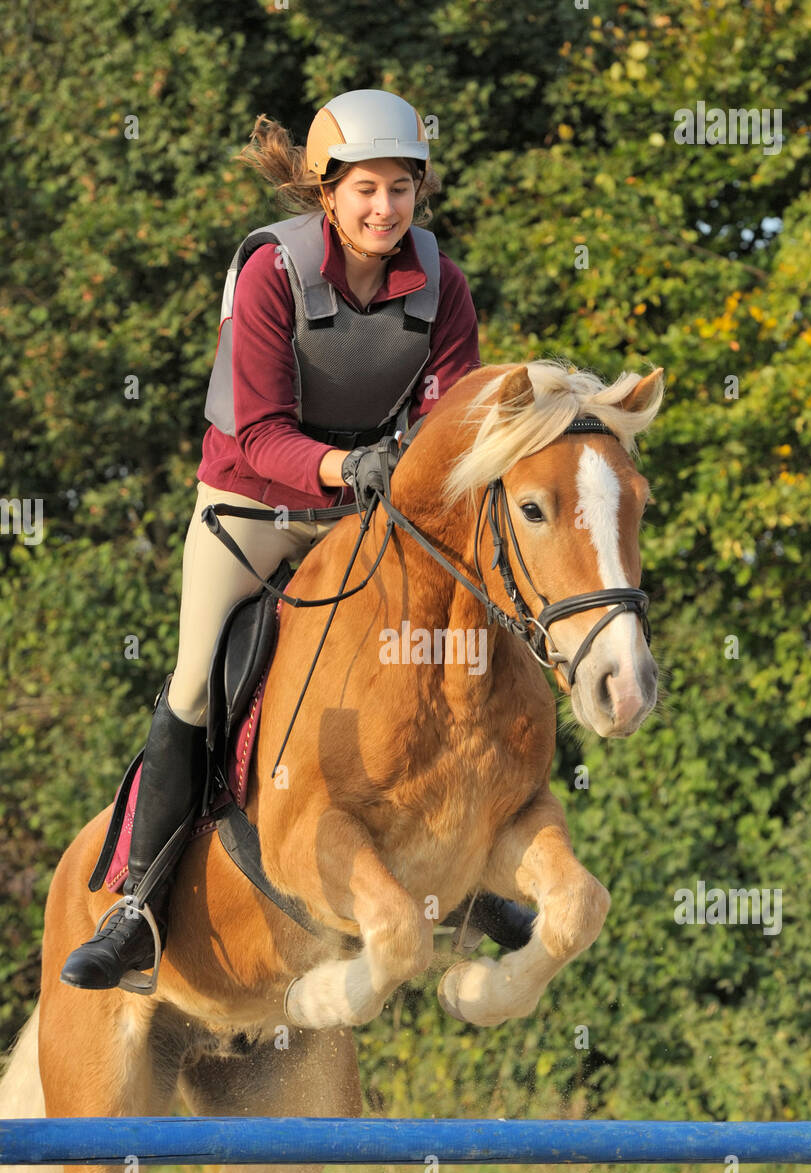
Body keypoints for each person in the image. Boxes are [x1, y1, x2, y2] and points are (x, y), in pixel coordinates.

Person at [61, 90, 515, 993]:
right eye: (367, 192)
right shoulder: (270, 271)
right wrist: (355, 471)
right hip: (249, 508)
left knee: (452, 642)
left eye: (402, 190)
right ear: (326, 191)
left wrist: (417, 470)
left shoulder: (444, 286)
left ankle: (464, 881)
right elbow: (261, 433)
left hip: (367, 512)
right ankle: (136, 906)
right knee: (196, 679)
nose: (386, 210)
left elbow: (454, 424)